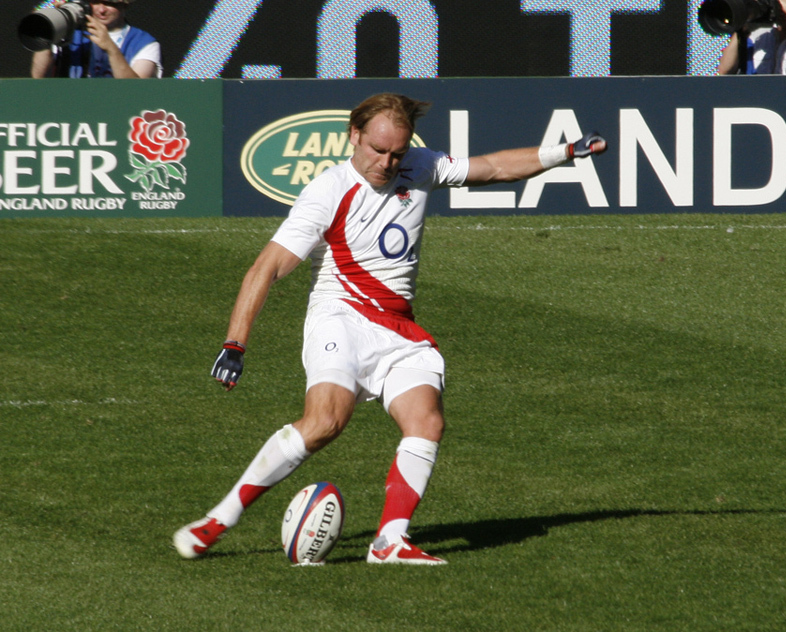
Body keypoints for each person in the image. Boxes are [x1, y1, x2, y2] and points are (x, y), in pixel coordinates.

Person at [173, 93, 607, 565]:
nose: (387, 162)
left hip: (398, 328)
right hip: (341, 316)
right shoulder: (328, 192)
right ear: (354, 136)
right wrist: (235, 344)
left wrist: (565, 153)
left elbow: (494, 168)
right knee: (324, 424)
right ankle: (219, 519)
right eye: (378, 150)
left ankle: (390, 541)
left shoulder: (419, 167)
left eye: (396, 153)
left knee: (427, 422)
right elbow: (266, 268)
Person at [30, 0, 161, 79]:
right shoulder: (71, 34)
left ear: (124, 6)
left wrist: (111, 48)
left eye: (109, 3)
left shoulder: (144, 43)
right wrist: (49, 30)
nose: (101, 10)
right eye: (95, 2)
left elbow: (137, 92)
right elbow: (38, 76)